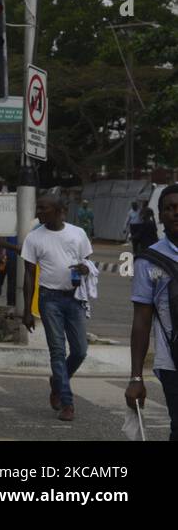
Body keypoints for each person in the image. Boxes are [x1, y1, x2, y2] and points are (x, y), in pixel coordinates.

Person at [21, 192, 93, 423]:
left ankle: (58, 381)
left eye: (43, 208)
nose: (38, 212)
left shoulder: (77, 233)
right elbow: (29, 275)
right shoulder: (34, 238)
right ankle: (67, 401)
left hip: (75, 298)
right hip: (49, 299)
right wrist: (27, 311)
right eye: (38, 208)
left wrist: (85, 268)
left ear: (59, 210)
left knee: (80, 350)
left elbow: (88, 262)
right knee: (58, 351)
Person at [126, 184, 178, 441]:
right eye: (169, 208)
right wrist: (136, 376)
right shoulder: (148, 261)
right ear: (160, 216)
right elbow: (141, 321)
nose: (175, 213)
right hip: (172, 363)